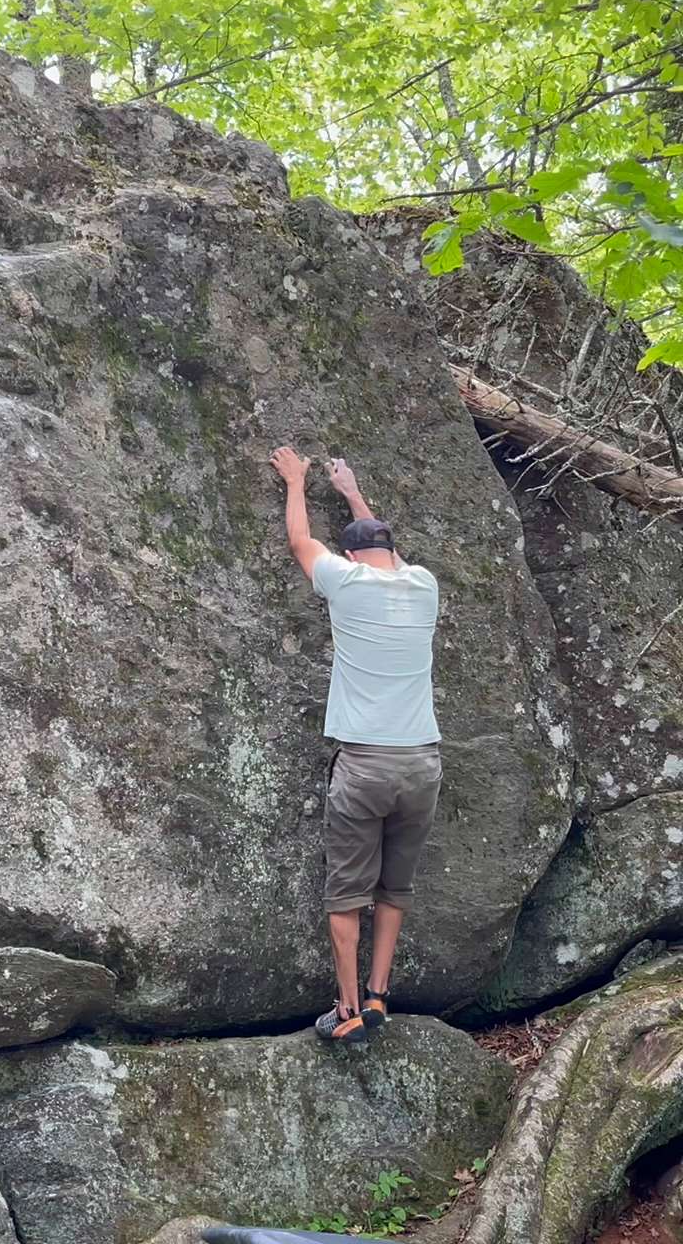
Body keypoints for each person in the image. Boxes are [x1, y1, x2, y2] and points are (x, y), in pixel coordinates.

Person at [270, 446, 441, 1044]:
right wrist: (352, 492)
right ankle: (377, 995)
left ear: (349, 558)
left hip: (366, 764)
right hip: (422, 764)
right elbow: (386, 551)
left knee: (347, 891)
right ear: (393, 554)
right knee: (396, 887)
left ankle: (346, 1010)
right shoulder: (423, 585)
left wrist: (296, 482)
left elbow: (300, 542)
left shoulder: (343, 582)